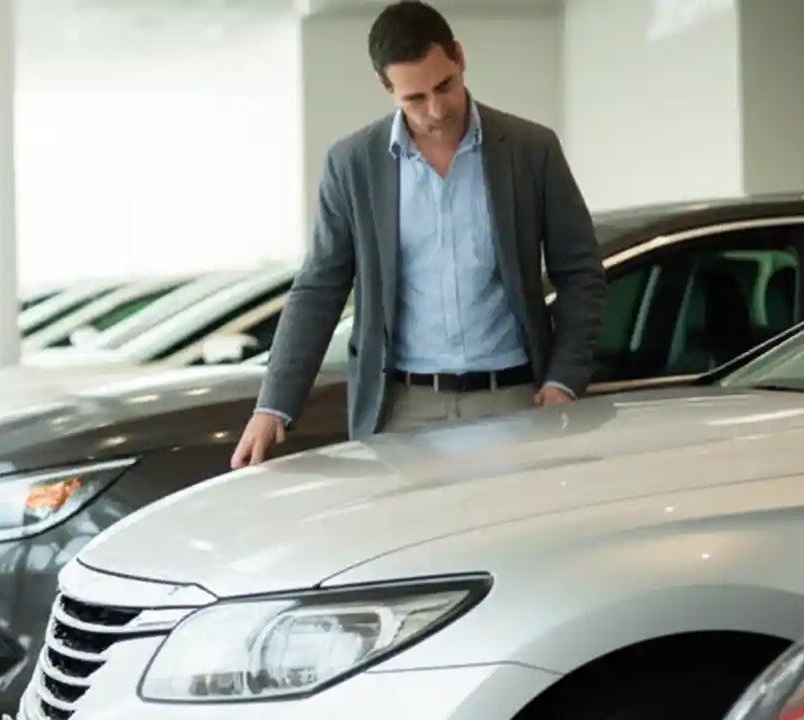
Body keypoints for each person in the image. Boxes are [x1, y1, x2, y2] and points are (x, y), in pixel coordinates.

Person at [231, 0, 605, 469]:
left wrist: (564, 381)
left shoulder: (531, 149)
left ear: (460, 57)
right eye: (414, 98)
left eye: (444, 85)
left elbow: (581, 274)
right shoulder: (353, 165)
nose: (436, 109)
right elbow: (320, 287)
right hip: (403, 408)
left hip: (516, 399)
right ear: (386, 88)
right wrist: (273, 404)